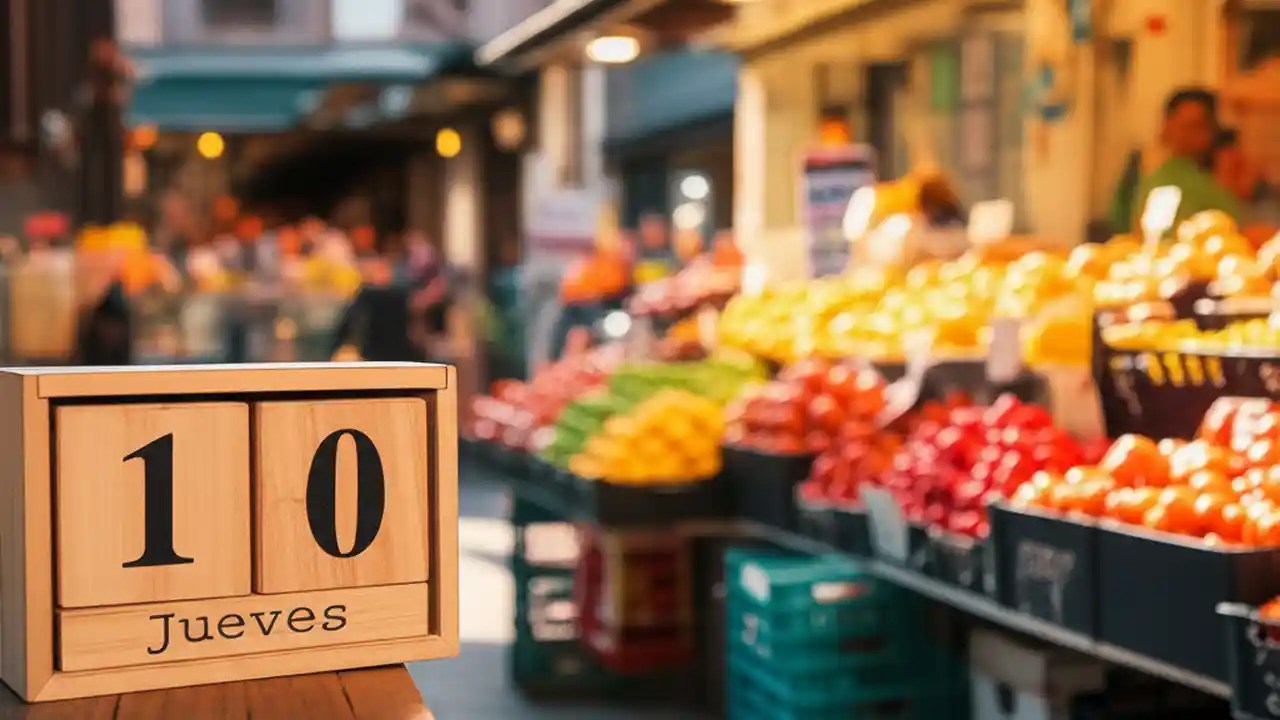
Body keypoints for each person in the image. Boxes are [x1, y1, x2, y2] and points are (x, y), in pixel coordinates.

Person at [1117, 88, 1243, 232]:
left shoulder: (1221, 173)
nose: (1184, 136)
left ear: (1211, 130)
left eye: (1194, 127)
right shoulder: (1159, 176)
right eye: (1181, 126)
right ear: (1166, 126)